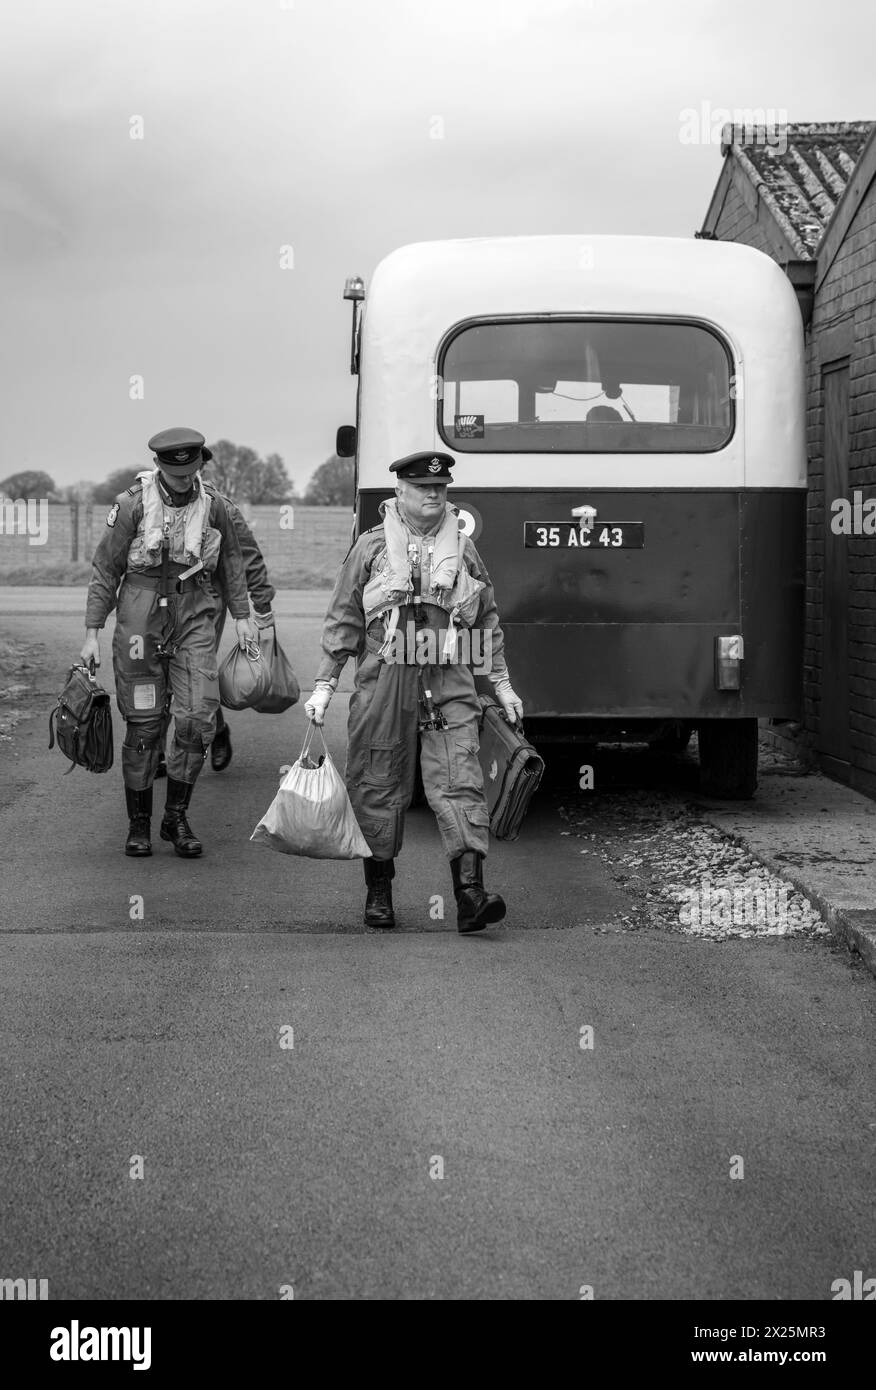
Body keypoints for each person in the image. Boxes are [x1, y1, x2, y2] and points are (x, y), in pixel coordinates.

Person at [304, 451, 524, 933]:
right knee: (378, 781)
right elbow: (343, 620)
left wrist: (502, 684)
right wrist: (324, 685)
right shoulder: (370, 548)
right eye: (423, 487)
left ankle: (470, 897)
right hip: (386, 679)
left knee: (460, 777)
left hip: (448, 679)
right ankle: (379, 894)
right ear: (399, 493)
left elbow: (485, 620)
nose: (433, 494)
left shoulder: (463, 550)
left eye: (440, 488)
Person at [80, 427, 255, 858]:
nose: (183, 481)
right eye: (174, 473)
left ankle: (175, 817)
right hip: (140, 615)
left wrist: (244, 616)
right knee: (144, 725)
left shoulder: (216, 507)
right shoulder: (130, 506)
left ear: (199, 465)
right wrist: (91, 633)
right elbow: (106, 570)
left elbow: (232, 563)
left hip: (195, 611)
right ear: (158, 466)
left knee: (196, 718)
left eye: (190, 471)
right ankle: (138, 824)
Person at [153, 483, 277, 775]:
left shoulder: (220, 506)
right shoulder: (148, 502)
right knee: (159, 672)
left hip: (206, 602)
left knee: (195, 673)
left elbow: (247, 556)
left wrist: (261, 604)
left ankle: (210, 732)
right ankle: (157, 750)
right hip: (157, 602)